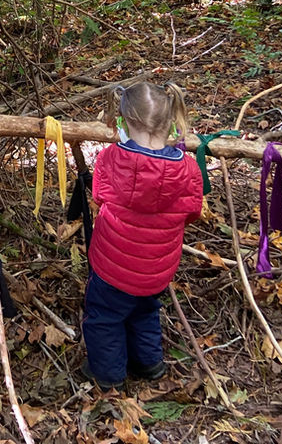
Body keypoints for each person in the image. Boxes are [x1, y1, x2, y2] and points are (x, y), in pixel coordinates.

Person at [81, 81, 204, 389]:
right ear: (171, 120)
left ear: (123, 120)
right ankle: (149, 364)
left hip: (113, 269)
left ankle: (109, 375)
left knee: (104, 319)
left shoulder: (111, 158)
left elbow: (99, 196)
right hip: (158, 268)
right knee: (146, 311)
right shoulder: (189, 169)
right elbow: (192, 213)